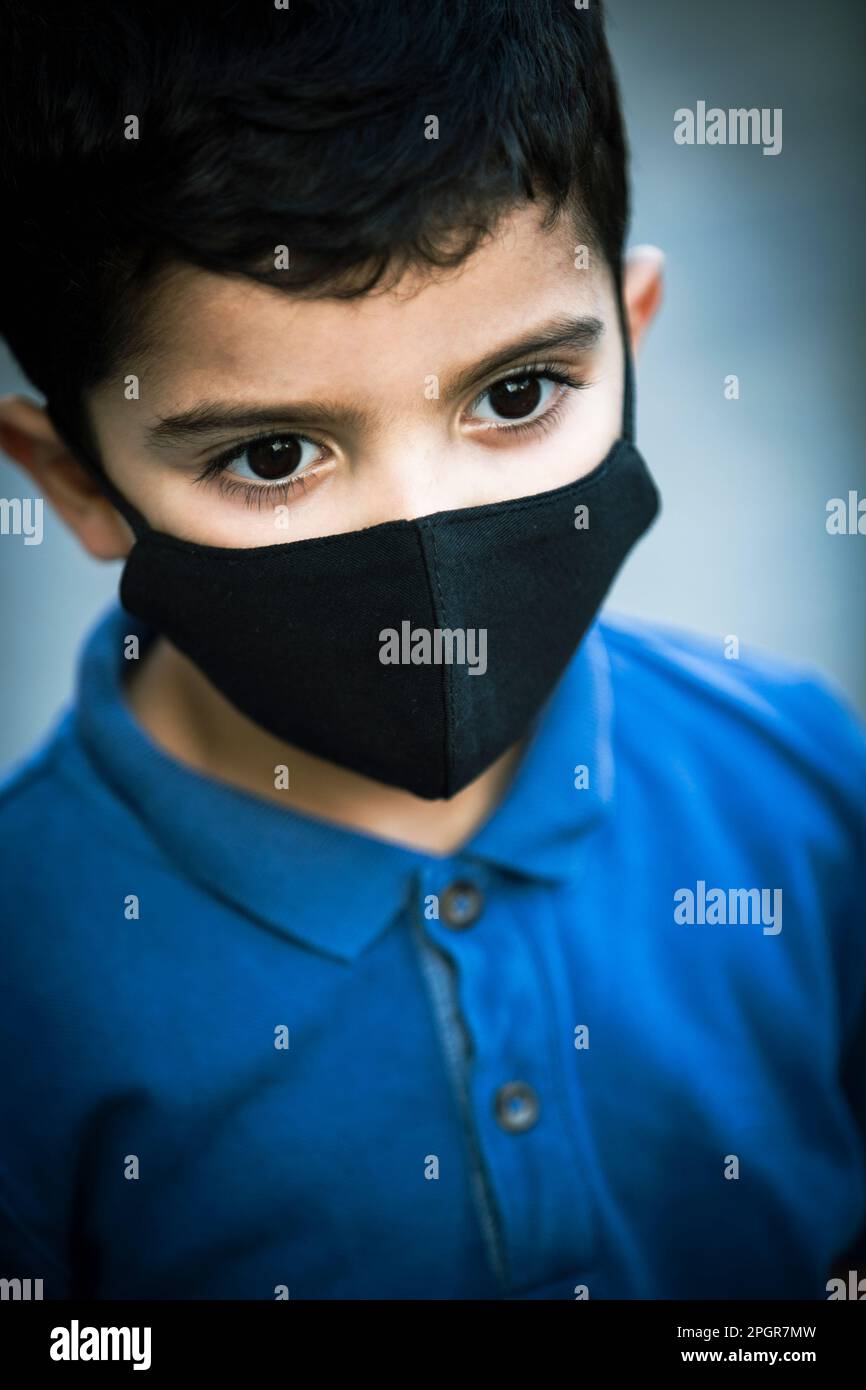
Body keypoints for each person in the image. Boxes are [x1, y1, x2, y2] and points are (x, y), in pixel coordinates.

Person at [0, 0, 863, 1300]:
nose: (428, 542)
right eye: (273, 454)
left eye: (514, 395)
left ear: (632, 333)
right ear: (75, 482)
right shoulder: (27, 971)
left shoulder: (796, 782)